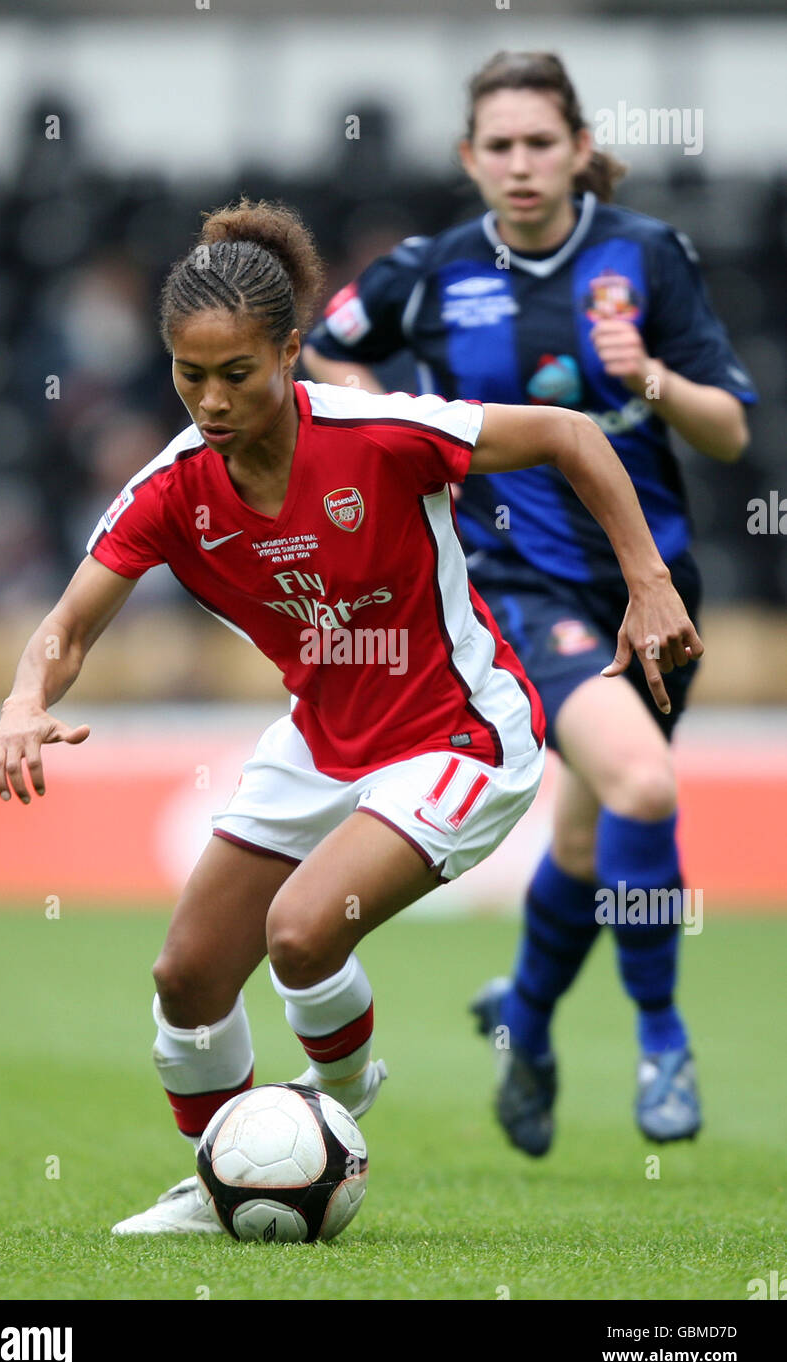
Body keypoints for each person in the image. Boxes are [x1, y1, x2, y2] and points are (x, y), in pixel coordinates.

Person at [0, 197, 702, 1235]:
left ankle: (337, 1108)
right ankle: (227, 1169)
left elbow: (567, 430)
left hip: (457, 732)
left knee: (302, 935)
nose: (213, 400)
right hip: (321, 738)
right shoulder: (169, 489)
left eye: (238, 373)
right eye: (190, 376)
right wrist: (21, 698)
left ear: (288, 351)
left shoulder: (378, 432)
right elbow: (70, 623)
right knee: (185, 978)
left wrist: (645, 580)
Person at [302, 51, 756, 1155]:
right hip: (513, 587)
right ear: (468, 156)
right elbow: (321, 346)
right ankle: (661, 1039)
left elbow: (728, 430)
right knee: (642, 788)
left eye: (537, 143)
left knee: (590, 834)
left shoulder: (645, 256)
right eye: (496, 146)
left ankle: (526, 1017)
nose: (517, 163)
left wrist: (644, 374)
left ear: (576, 148)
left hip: (652, 586)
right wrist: (380, 407)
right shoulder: (430, 267)